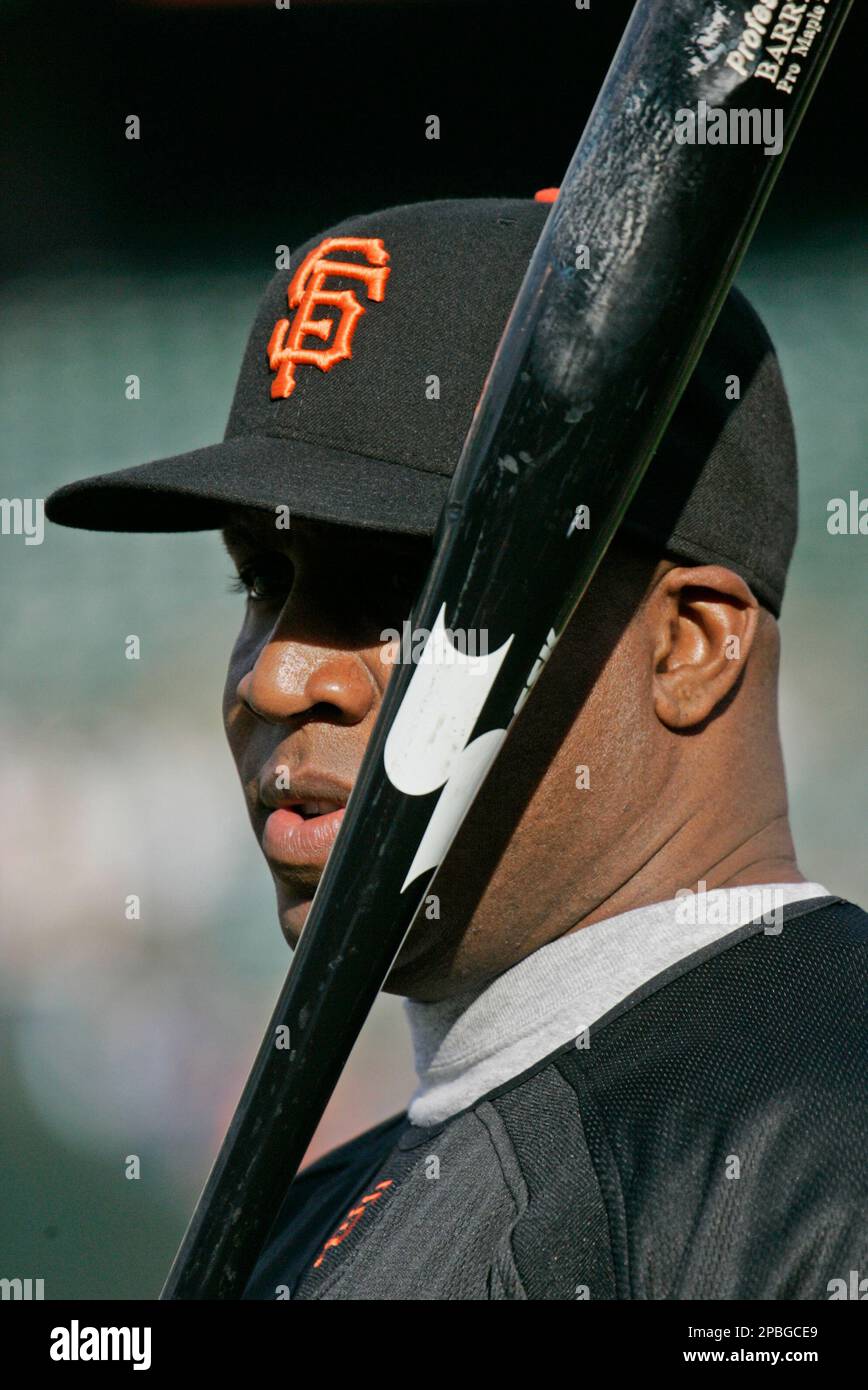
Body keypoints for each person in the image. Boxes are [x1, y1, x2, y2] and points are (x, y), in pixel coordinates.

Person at [46, 195, 867, 1300]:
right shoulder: (306, 1217)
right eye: (262, 583)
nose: (278, 676)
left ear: (689, 645)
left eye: (409, 586)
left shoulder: (819, 1147)